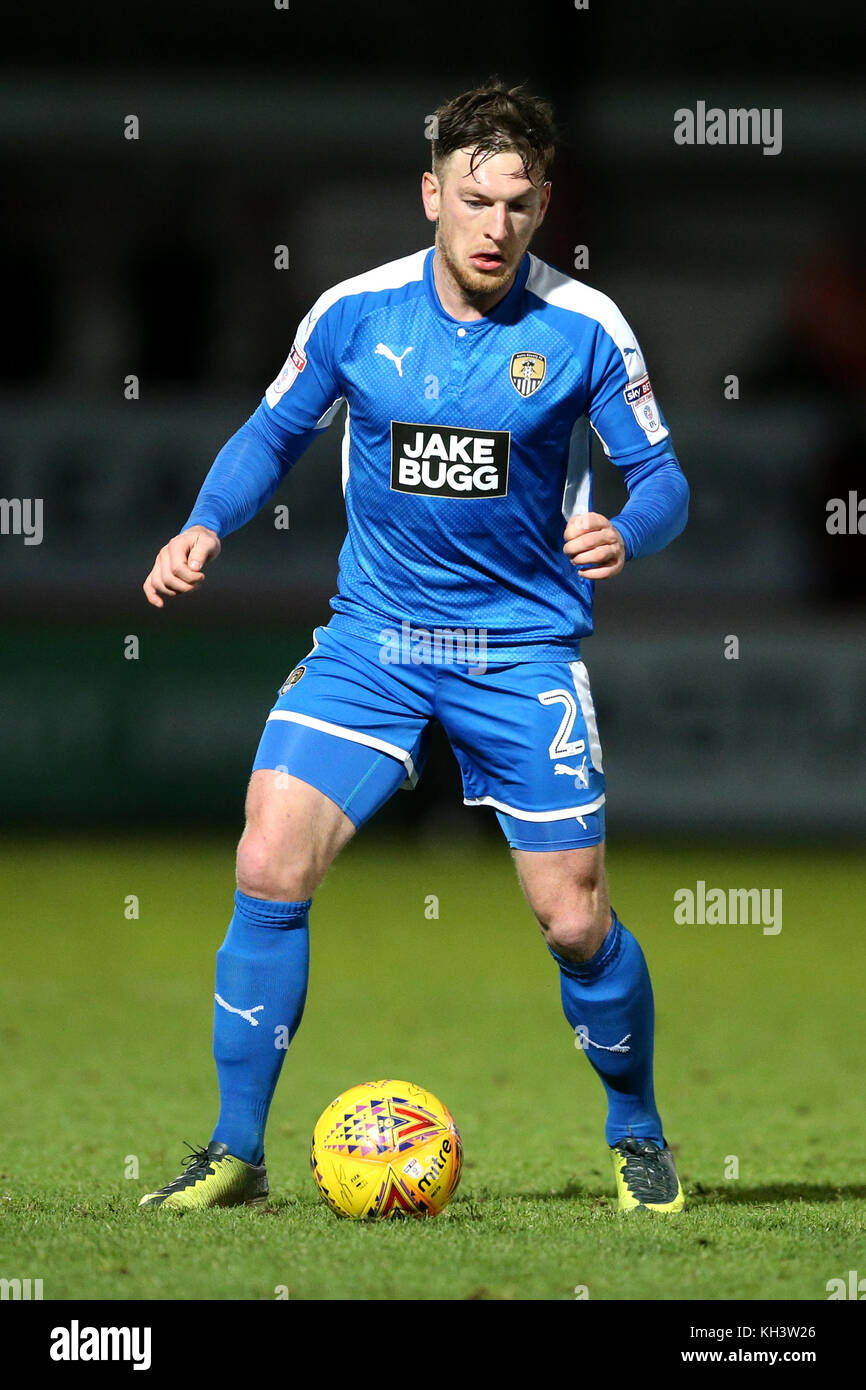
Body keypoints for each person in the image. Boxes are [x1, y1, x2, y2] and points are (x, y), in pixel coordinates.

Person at [140, 78, 689, 1214]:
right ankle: (235, 1151)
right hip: (374, 642)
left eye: (521, 205)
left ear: (543, 207)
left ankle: (636, 1132)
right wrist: (205, 523)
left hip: (519, 649)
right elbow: (272, 430)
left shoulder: (584, 327)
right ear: (430, 191)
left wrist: (625, 530)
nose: (496, 227)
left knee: (574, 918)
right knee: (266, 861)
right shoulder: (353, 315)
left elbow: (663, 479)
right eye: (476, 199)